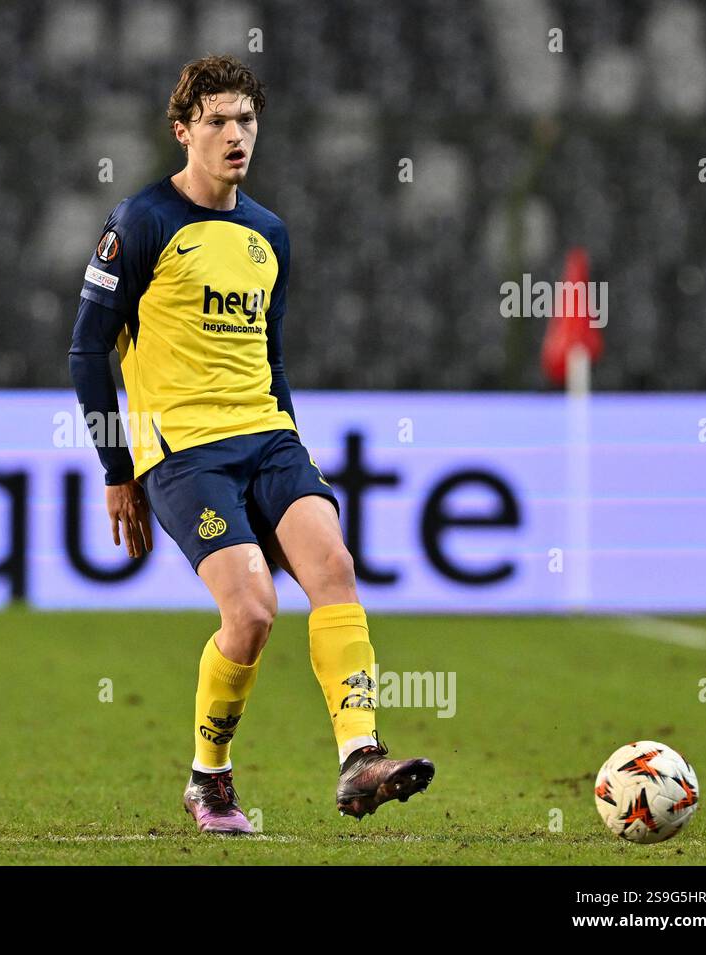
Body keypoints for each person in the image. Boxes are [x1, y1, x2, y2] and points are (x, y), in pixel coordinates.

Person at [67, 55, 434, 834]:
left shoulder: (268, 234)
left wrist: (294, 445)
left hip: (268, 437)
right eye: (217, 122)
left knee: (333, 566)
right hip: (184, 453)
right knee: (255, 613)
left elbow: (271, 357)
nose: (235, 135)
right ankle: (210, 778)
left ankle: (360, 753)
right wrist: (115, 468)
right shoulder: (139, 222)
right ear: (182, 131)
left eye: (246, 121)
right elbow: (83, 350)